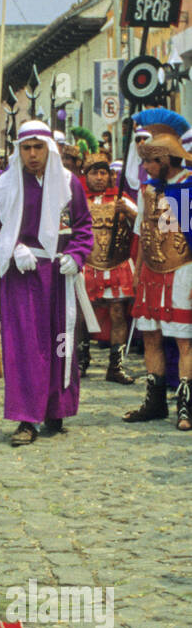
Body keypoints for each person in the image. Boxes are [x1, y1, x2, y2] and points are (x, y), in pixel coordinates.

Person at [0, 120, 95, 445]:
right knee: (25, 347)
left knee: (60, 342)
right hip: (23, 279)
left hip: (59, 276)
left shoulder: (69, 184)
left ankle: (55, 407)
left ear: (49, 149)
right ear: (19, 150)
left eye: (38, 147)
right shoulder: (4, 188)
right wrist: (13, 249)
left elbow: (83, 226)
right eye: (26, 148)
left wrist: (76, 254)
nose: (32, 154)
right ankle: (25, 418)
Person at [123, 113, 192, 431]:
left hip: (182, 272)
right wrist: (136, 270)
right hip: (151, 272)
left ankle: (186, 406)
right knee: (151, 336)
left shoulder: (187, 189)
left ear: (167, 158)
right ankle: (155, 402)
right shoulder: (148, 191)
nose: (146, 168)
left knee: (184, 340)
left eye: (151, 162)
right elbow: (141, 231)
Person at [80, 154, 137, 384]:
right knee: (83, 315)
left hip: (117, 264)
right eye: (95, 172)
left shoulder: (123, 200)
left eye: (104, 172)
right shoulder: (79, 201)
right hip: (88, 266)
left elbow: (143, 227)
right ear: (87, 176)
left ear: (111, 176)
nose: (100, 177)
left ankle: (116, 365)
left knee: (117, 314)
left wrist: (131, 212)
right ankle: (81, 359)